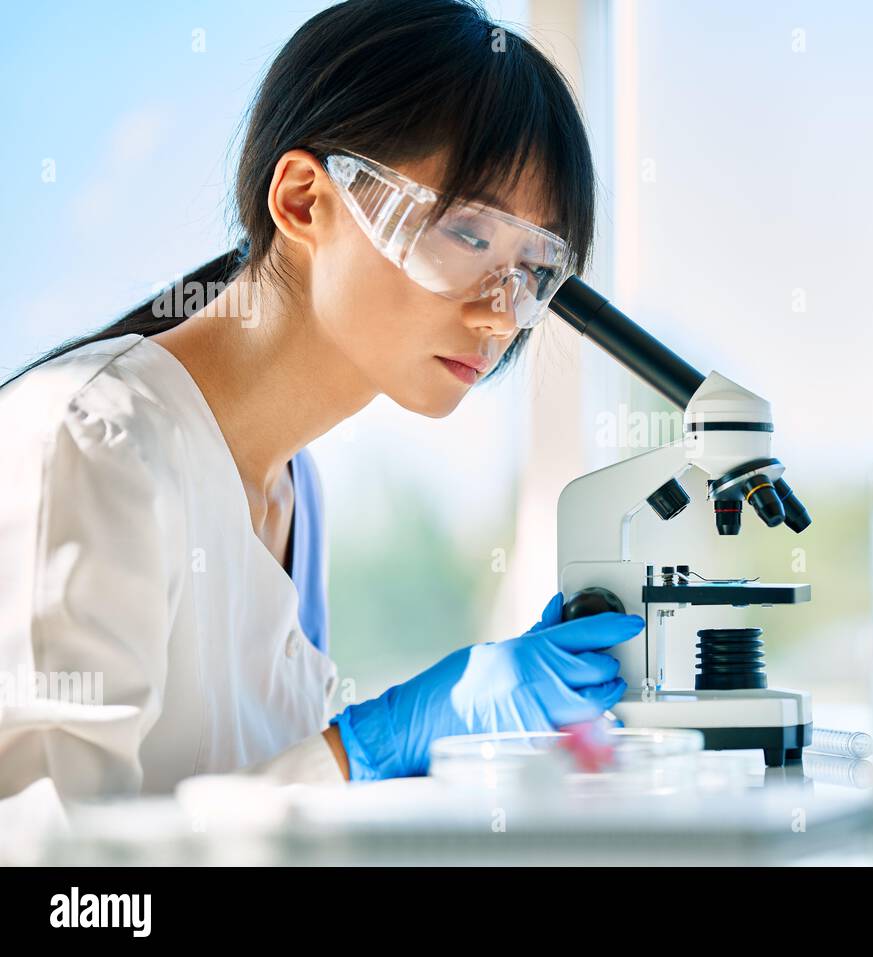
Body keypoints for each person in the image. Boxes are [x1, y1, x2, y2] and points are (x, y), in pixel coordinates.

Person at [0, 0, 641, 810]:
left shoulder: (298, 490)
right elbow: (54, 869)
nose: (498, 313)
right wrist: (364, 747)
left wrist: (422, 751)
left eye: (533, 270)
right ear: (305, 199)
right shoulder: (90, 440)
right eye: (470, 237)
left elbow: (240, 800)